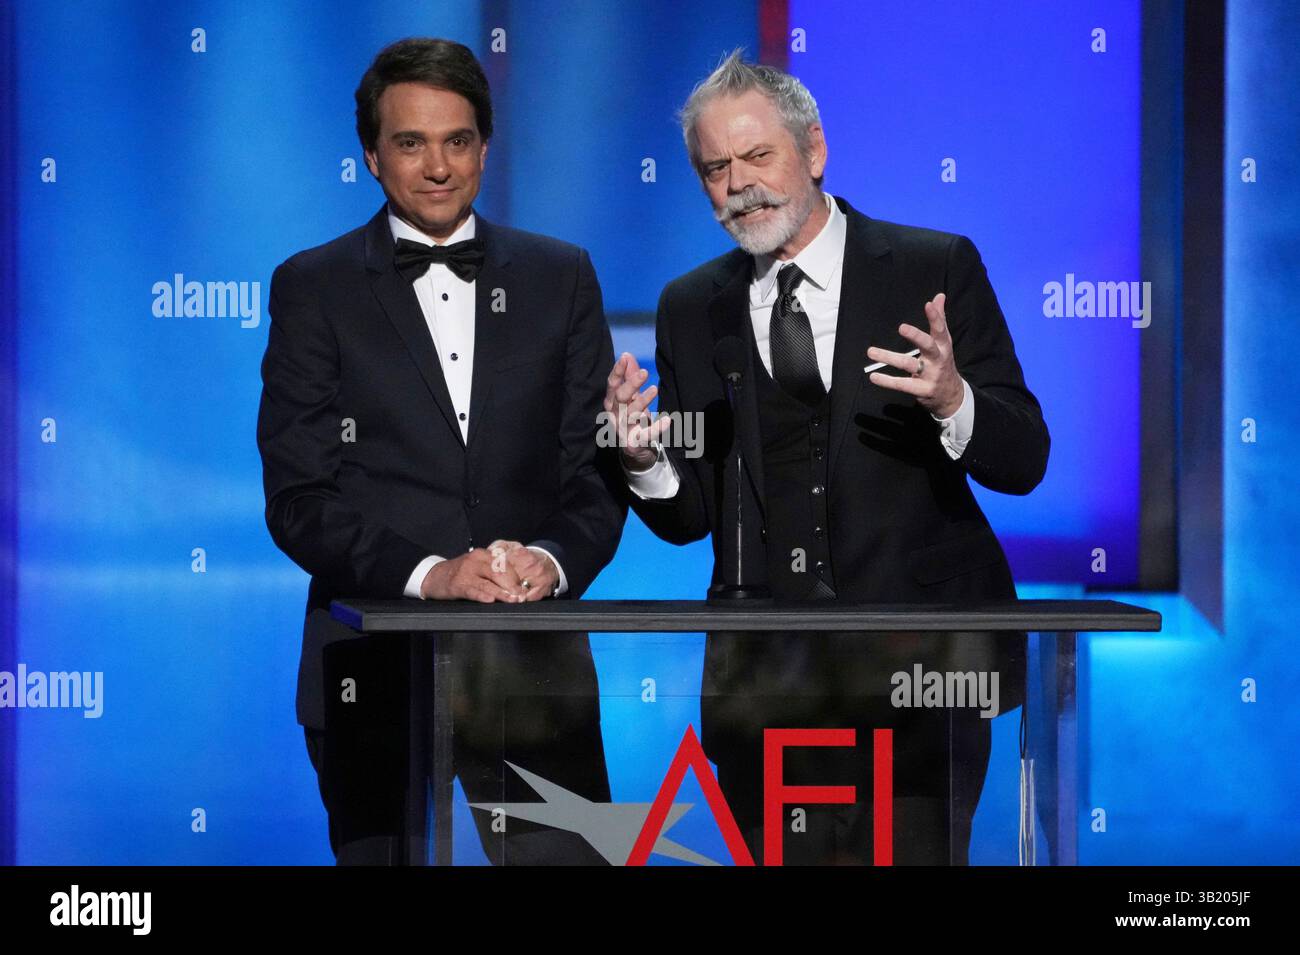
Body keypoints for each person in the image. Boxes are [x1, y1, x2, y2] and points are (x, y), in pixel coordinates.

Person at [605, 51, 1050, 864]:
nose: (738, 183)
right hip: (765, 685)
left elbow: (1024, 458)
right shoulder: (689, 306)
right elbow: (693, 516)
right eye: (715, 167)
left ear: (814, 151)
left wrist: (954, 400)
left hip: (924, 676)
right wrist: (644, 460)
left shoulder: (931, 267)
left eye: (757, 156)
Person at [257, 37, 625, 864]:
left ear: (485, 149)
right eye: (410, 143)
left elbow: (593, 478)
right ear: (371, 158)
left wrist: (553, 559)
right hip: (373, 673)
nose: (437, 166)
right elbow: (299, 498)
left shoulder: (559, 276)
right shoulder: (312, 288)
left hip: (536, 679)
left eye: (457, 141)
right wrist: (432, 575)